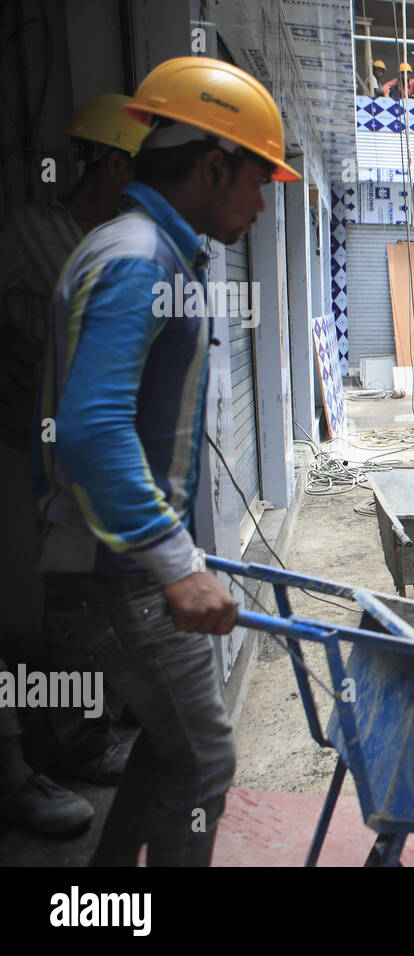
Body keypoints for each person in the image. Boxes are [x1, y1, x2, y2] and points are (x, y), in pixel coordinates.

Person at [35, 56, 300, 865]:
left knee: (169, 746)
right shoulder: (139, 258)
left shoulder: (144, 249)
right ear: (212, 166)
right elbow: (91, 428)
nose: (263, 203)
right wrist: (177, 564)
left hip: (120, 562)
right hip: (119, 570)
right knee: (204, 761)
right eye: (258, 180)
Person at [0, 93, 151, 837]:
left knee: (100, 594)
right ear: (115, 164)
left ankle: (94, 727)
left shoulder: (124, 244)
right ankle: (55, 750)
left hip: (98, 452)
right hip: (40, 451)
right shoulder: (33, 234)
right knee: (55, 600)